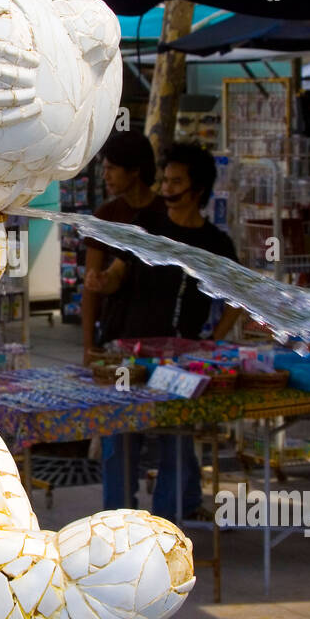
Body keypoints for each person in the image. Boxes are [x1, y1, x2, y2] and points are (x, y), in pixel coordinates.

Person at [84, 142, 243, 520]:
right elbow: (116, 277)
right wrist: (99, 282)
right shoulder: (149, 228)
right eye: (166, 180)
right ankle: (119, 524)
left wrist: (213, 342)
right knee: (120, 438)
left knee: (176, 442)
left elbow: (237, 299)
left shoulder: (215, 244)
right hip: (128, 354)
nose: (168, 189)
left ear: (197, 189)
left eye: (176, 182)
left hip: (182, 363)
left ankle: (168, 529)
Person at [80, 132, 166, 363]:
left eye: (112, 169)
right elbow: (91, 285)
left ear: (135, 170)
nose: (105, 176)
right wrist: (88, 346)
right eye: (104, 168)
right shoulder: (106, 216)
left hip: (162, 329)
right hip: (116, 328)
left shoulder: (166, 213)